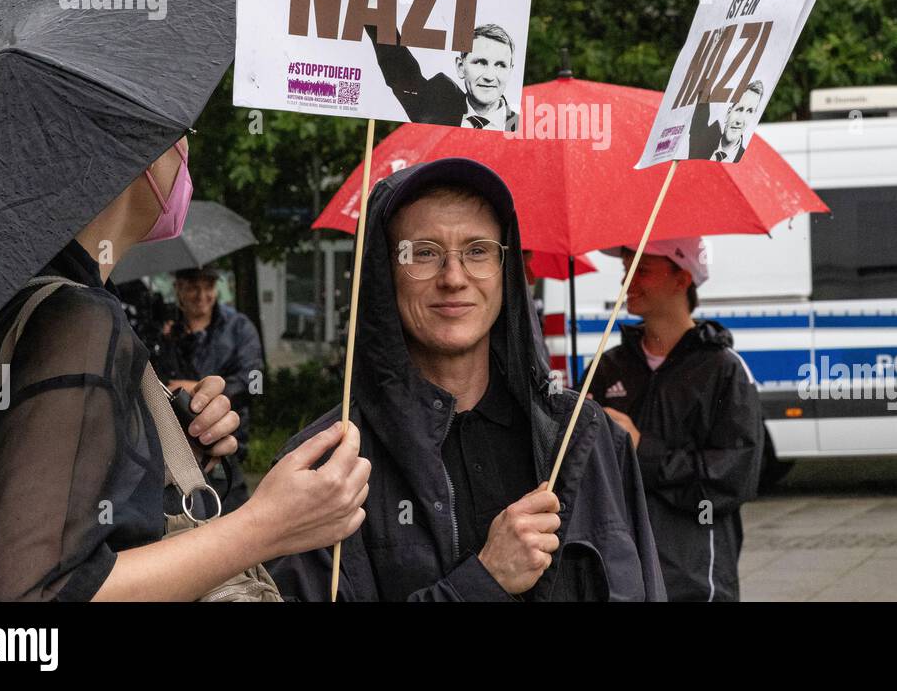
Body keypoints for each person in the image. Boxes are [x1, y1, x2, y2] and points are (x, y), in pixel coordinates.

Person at [0, 134, 369, 601]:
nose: (188, 150)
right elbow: (30, 598)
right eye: (180, 137)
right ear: (133, 149)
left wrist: (152, 446)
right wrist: (265, 526)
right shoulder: (76, 320)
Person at [268, 158, 666, 601]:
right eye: (423, 252)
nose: (454, 278)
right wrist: (481, 583)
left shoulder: (585, 438)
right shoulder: (326, 465)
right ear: (383, 274)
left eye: (477, 250)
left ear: (505, 271)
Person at [583, 238, 763, 601]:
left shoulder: (723, 369)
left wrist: (640, 449)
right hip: (619, 575)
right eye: (625, 270)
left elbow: (733, 479)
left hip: (694, 578)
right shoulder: (605, 367)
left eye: (642, 271)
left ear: (682, 279)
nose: (626, 282)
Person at [337, 0, 518, 130]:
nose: (489, 75)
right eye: (480, 62)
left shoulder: (518, 126)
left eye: (500, 65)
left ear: (511, 70)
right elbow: (399, 69)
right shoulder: (441, 102)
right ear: (460, 66)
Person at [155, 265, 265, 510]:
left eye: (208, 287)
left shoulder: (239, 327)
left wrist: (197, 390)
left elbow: (254, 382)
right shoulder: (163, 330)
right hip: (175, 451)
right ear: (178, 288)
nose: (201, 295)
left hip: (225, 450)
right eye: (193, 287)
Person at [687, 80, 764, 162]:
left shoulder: (748, 162)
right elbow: (701, 112)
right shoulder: (701, 140)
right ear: (728, 113)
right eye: (739, 109)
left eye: (750, 111)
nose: (740, 120)